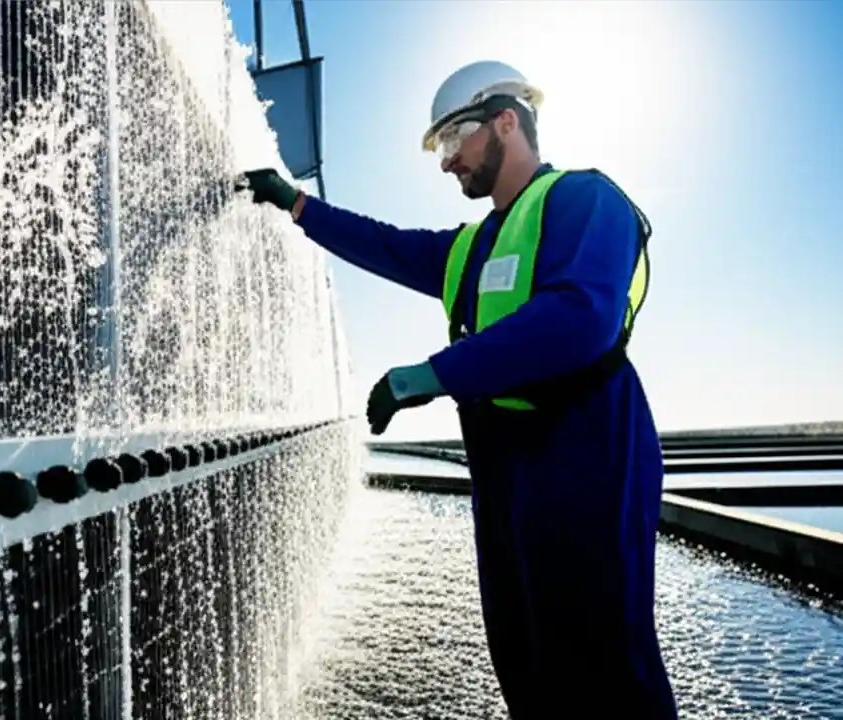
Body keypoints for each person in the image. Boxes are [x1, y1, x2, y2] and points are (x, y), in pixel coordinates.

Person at [240, 60, 678, 719]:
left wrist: (433, 374)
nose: (447, 162)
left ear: (507, 120)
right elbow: (383, 245)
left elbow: (579, 319)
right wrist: (296, 204)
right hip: (505, 467)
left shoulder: (585, 200)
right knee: (526, 662)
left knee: (607, 665)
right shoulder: (471, 248)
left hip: (587, 452)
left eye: (454, 139)